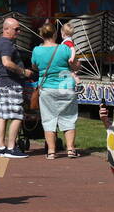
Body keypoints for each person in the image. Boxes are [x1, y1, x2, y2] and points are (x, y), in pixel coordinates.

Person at [31, 20, 78, 159]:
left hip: (47, 87)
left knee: (49, 119)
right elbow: (74, 66)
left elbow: (35, 67)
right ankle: (70, 149)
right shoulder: (64, 48)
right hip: (66, 86)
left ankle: (51, 151)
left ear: (41, 34)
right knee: (69, 118)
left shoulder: (37, 50)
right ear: (56, 34)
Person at [0, 16, 34, 158]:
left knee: (3, 116)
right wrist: (24, 72)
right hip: (11, 83)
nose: (18, 31)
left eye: (19, 29)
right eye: (16, 29)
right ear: (6, 29)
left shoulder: (2, 42)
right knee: (17, 116)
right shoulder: (7, 44)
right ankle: (11, 148)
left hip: (3, 83)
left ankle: (1, 147)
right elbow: (6, 62)